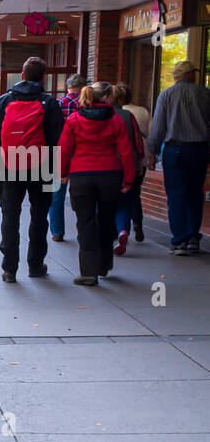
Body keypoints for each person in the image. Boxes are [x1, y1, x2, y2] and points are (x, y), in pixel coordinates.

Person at [0, 56, 66, 282]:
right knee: (39, 216)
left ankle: (9, 268)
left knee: (10, 216)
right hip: (41, 165)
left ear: (21, 75)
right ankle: (35, 264)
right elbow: (57, 138)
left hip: (11, 165)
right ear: (43, 78)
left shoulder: (4, 101)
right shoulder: (49, 103)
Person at [60, 81, 136, 286]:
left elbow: (64, 149)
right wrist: (129, 178)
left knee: (85, 223)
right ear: (106, 97)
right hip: (110, 175)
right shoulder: (116, 120)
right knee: (106, 220)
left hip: (81, 176)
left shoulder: (74, 119)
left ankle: (88, 272)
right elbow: (126, 151)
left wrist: (63, 173)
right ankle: (103, 265)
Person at [147, 59, 210, 255]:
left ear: (176, 77)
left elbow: (158, 127)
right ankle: (193, 238)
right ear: (190, 75)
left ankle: (179, 241)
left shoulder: (166, 95)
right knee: (195, 194)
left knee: (176, 196)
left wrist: (153, 151)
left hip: (174, 151)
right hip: (199, 149)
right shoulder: (205, 94)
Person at [49, 74, 87, 242]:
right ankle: (84, 231)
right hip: (82, 153)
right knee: (84, 196)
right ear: (82, 87)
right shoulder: (86, 105)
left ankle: (57, 231)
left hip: (59, 152)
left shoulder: (58, 103)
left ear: (68, 87)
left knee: (56, 195)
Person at [112, 83, 147, 252]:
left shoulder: (94, 114)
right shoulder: (128, 115)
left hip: (104, 167)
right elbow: (138, 142)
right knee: (126, 201)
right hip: (126, 165)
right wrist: (140, 162)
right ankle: (123, 230)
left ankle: (108, 233)